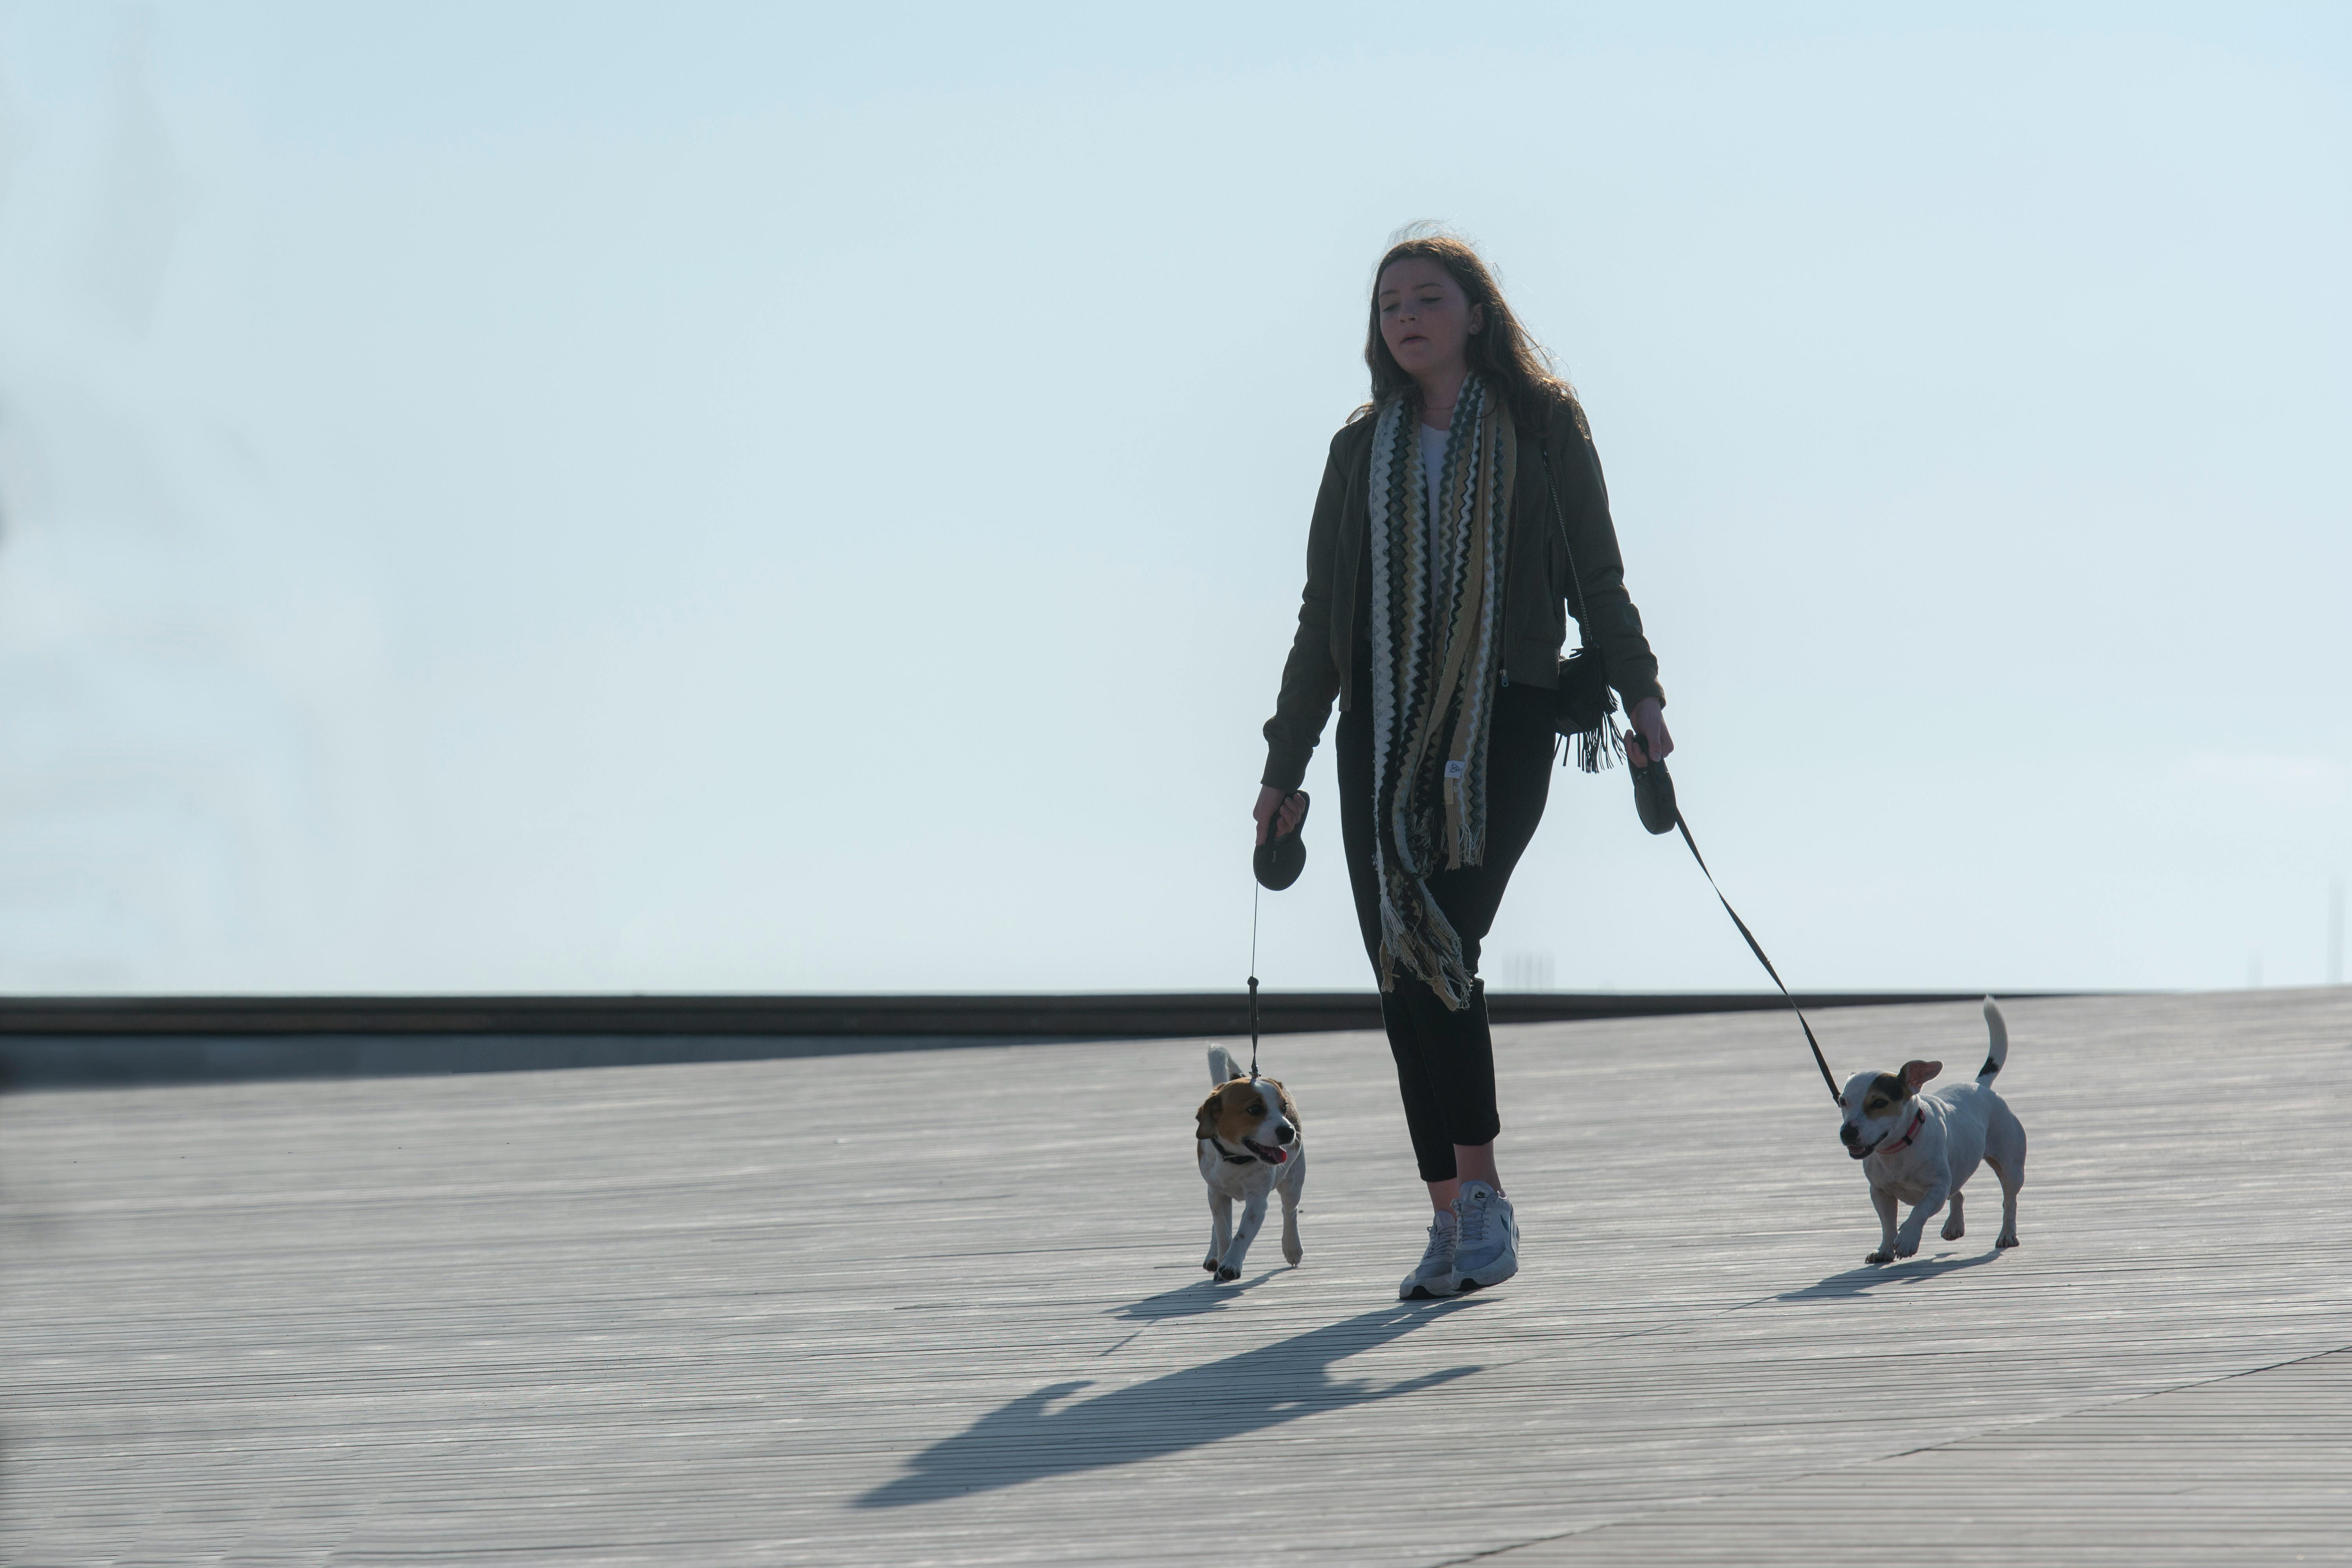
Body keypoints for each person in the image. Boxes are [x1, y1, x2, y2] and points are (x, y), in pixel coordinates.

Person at [1254, 229, 1673, 1299]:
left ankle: (1484, 1202)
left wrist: (1642, 694)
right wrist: (1286, 761)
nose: (1404, 315)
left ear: (1476, 313)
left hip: (1507, 717)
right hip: (1380, 735)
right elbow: (1321, 620)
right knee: (1403, 972)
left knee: (1441, 939)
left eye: (1427, 296)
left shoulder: (1542, 422)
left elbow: (1598, 569)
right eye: (1388, 301)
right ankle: (1448, 1216)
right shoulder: (1361, 450)